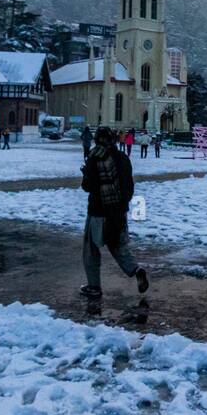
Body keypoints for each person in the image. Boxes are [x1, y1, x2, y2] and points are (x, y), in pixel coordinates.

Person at [79, 125, 149, 298]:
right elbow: (129, 186)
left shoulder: (94, 157)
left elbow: (88, 186)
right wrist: (121, 205)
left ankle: (94, 286)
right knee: (117, 244)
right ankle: (136, 270)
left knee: (91, 249)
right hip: (118, 212)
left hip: (98, 211)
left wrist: (86, 173)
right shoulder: (122, 158)